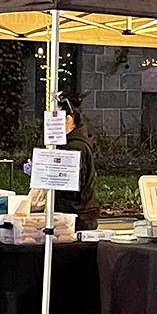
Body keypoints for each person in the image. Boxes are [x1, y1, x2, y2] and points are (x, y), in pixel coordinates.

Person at [55, 93, 100, 231]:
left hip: (77, 214)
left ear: (68, 120)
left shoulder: (74, 146)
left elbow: (72, 185)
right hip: (81, 211)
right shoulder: (76, 143)